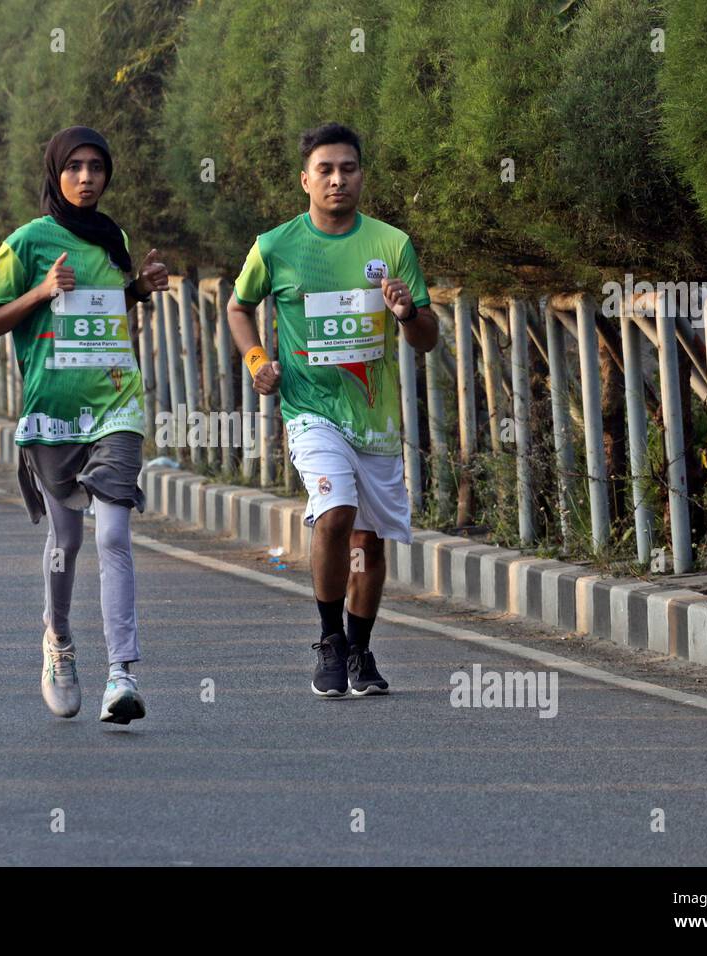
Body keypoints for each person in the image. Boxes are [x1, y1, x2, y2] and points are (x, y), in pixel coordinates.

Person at [226, 122, 438, 698]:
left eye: (348, 168)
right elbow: (238, 307)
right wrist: (255, 360)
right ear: (305, 180)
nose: (337, 179)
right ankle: (328, 639)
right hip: (309, 409)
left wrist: (403, 313)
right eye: (326, 170)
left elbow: (427, 337)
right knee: (335, 509)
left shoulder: (391, 245)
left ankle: (360, 649)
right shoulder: (275, 246)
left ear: (361, 176)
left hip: (374, 418)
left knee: (369, 545)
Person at [0, 126, 168, 723]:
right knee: (68, 542)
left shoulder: (114, 237)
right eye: (75, 167)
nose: (87, 178)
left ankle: (122, 675)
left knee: (113, 534)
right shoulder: (29, 241)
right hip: (54, 414)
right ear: (55, 172)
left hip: (117, 404)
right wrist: (38, 292)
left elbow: (103, 306)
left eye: (97, 167)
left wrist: (137, 289)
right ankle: (58, 641)